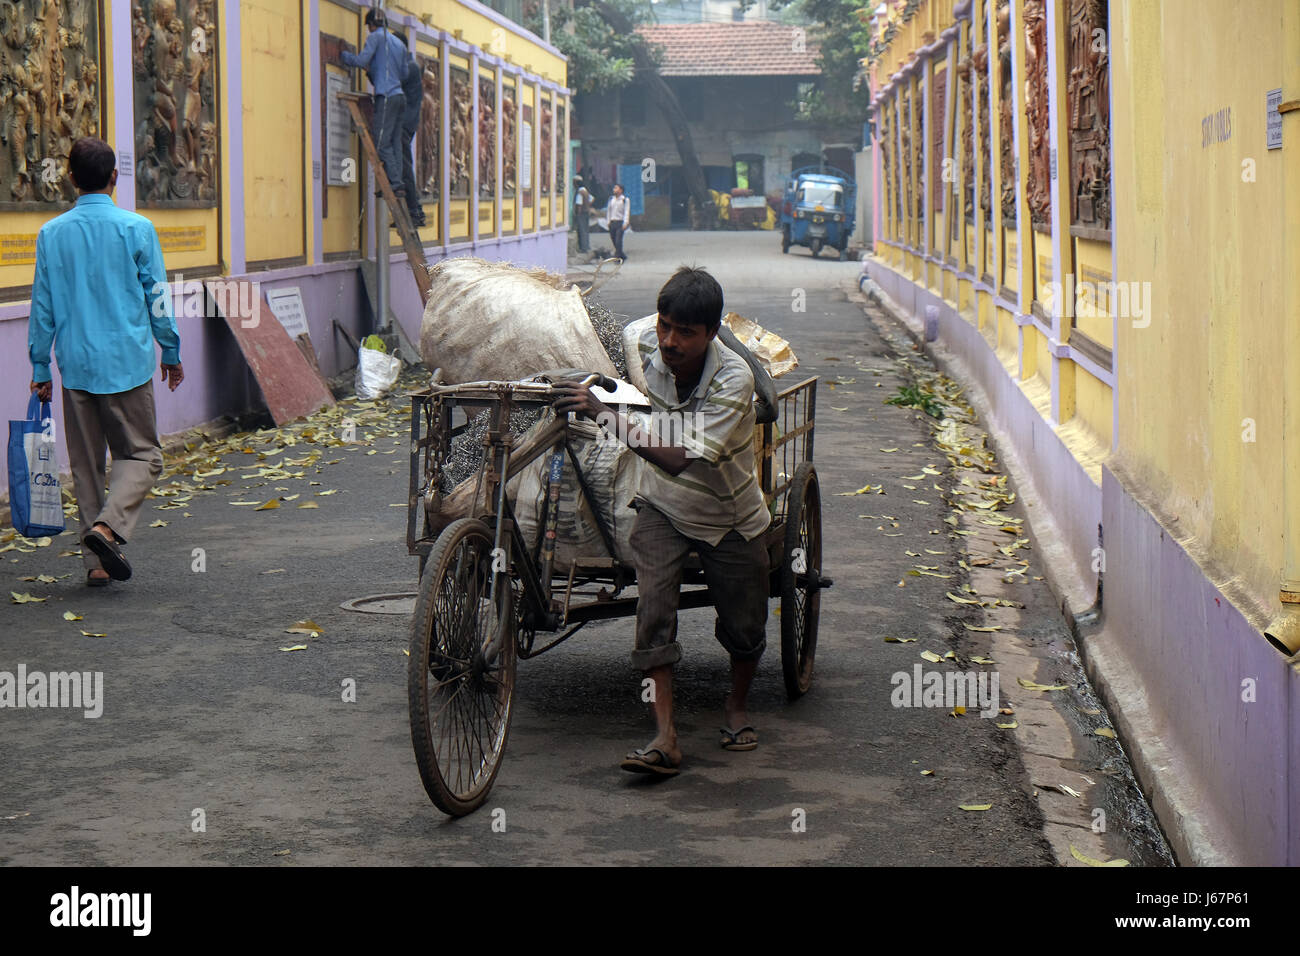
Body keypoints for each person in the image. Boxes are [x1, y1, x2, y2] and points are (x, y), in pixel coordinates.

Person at [552, 267, 769, 776]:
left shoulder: (733, 379)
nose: (670, 341)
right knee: (652, 610)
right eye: (665, 326)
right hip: (661, 506)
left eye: (685, 333)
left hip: (727, 514)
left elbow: (678, 459)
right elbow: (642, 407)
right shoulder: (648, 348)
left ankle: (736, 708)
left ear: (711, 333)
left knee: (744, 624)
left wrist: (604, 415)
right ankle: (664, 736)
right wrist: (602, 393)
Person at [27, 137, 183, 587]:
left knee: (87, 465)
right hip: (128, 364)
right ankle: (107, 527)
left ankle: (94, 565)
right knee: (143, 454)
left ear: (71, 178)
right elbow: (157, 298)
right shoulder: (137, 229)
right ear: (115, 177)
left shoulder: (51, 235)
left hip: (76, 366)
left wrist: (40, 368)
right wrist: (170, 351)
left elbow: (43, 308)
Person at [341, 9, 408, 207]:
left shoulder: (375, 38)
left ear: (371, 24)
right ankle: (399, 183)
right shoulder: (398, 43)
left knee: (380, 142)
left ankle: (395, 183)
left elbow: (361, 61)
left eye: (368, 27)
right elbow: (403, 73)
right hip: (399, 97)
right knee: (394, 142)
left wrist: (345, 55)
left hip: (386, 96)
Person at [393, 30, 425, 227]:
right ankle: (411, 211)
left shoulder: (409, 68)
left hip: (404, 123)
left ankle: (414, 211)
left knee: (404, 166)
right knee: (400, 164)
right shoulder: (408, 66)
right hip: (405, 122)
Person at [607, 182, 629, 261]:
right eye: (614, 188)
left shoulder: (625, 199)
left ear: (621, 190)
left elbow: (626, 211)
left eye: (616, 188)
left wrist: (626, 222)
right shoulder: (611, 199)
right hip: (612, 222)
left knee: (618, 240)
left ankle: (618, 257)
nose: (614, 190)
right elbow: (609, 211)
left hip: (620, 222)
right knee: (613, 239)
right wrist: (608, 221)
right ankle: (622, 255)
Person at [573, 176, 591, 253]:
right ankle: (586, 246)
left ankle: (583, 248)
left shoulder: (580, 192)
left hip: (582, 213)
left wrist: (578, 214)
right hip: (586, 212)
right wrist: (587, 206)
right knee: (586, 230)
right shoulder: (585, 190)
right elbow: (591, 199)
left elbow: (579, 204)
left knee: (582, 230)